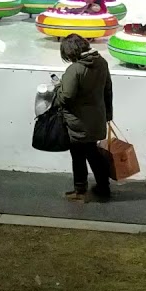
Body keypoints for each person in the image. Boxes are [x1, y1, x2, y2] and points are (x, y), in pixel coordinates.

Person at [51, 34, 114, 203]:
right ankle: (103, 187)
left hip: (78, 121)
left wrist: (57, 89)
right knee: (93, 153)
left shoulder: (75, 70)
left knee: (78, 155)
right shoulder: (102, 62)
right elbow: (108, 89)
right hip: (97, 118)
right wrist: (108, 114)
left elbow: (66, 97)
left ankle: (80, 190)